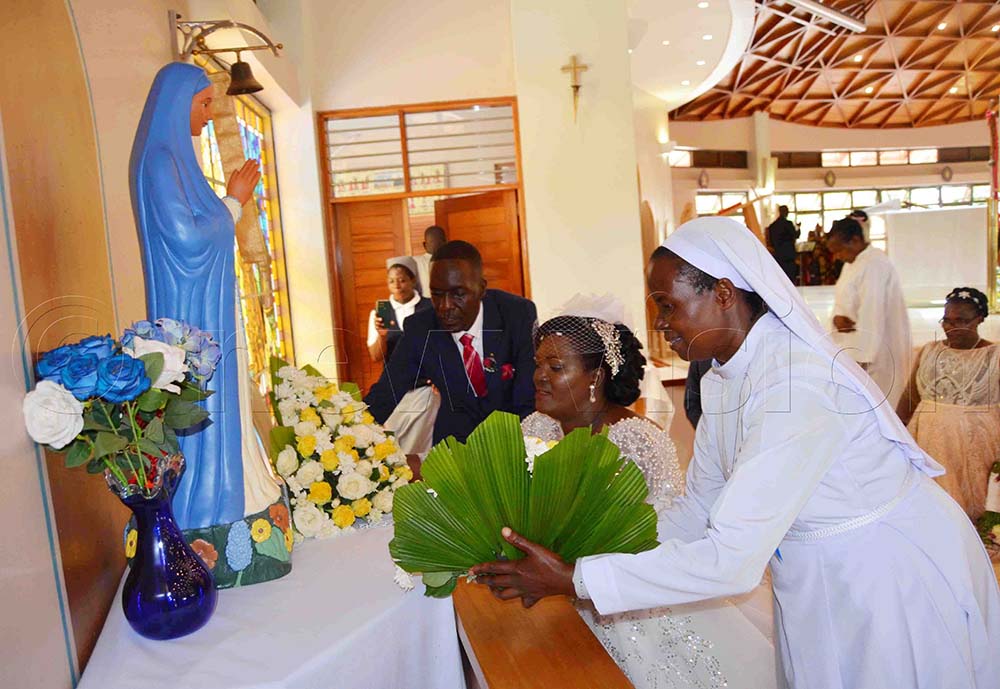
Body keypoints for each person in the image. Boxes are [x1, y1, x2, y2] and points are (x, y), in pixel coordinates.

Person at [471, 217, 1000, 689]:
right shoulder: (726, 377)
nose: (660, 323)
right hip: (818, 570)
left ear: (723, 293)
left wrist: (576, 579)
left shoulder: (796, 386)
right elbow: (697, 509)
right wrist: (584, 556)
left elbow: (730, 560)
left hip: (884, 572)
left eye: (668, 305)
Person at [521, 300, 776, 688]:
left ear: (596, 377)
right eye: (538, 364)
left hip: (635, 594)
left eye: (555, 367)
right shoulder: (536, 426)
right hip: (553, 586)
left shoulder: (635, 438)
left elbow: (673, 522)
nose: (540, 376)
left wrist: (585, 569)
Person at [130, 62, 283, 544]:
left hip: (204, 301)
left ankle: (236, 488)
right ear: (177, 106)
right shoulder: (159, 160)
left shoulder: (174, 159)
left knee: (224, 397)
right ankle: (210, 501)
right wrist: (234, 202)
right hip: (190, 308)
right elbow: (185, 237)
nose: (206, 114)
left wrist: (227, 203)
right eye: (201, 105)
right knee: (204, 401)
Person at [364, 240, 537, 443]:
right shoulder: (421, 328)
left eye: (458, 294)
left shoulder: (516, 314)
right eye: (437, 294)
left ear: (481, 289)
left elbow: (527, 396)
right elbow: (385, 394)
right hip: (454, 447)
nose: (445, 306)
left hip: (514, 439)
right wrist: (345, 434)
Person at [897, 287, 1000, 521]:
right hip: (929, 440)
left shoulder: (995, 355)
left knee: (977, 510)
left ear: (980, 319)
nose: (952, 327)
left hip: (978, 444)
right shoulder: (929, 351)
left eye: (961, 320)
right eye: (947, 320)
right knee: (934, 509)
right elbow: (909, 398)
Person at [827, 216, 912, 408]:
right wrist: (836, 319)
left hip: (877, 350)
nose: (838, 257)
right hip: (855, 345)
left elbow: (872, 312)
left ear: (855, 240)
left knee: (882, 400)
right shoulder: (852, 263)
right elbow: (843, 300)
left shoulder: (875, 263)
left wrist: (863, 355)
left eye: (839, 250)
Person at [366, 256, 432, 363]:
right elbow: (376, 357)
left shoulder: (430, 308)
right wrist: (381, 336)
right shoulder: (378, 314)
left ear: (413, 280)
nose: (397, 286)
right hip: (394, 377)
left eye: (402, 280)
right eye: (391, 281)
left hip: (427, 376)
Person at [766, 205, 799, 283]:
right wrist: (798, 227)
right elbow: (795, 235)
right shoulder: (788, 224)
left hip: (778, 255)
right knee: (790, 277)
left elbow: (770, 241)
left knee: (781, 279)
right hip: (789, 255)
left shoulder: (772, 226)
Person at [413, 224, 446, 296]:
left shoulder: (414, 262)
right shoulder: (454, 261)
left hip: (423, 304)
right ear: (446, 243)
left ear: (424, 245)